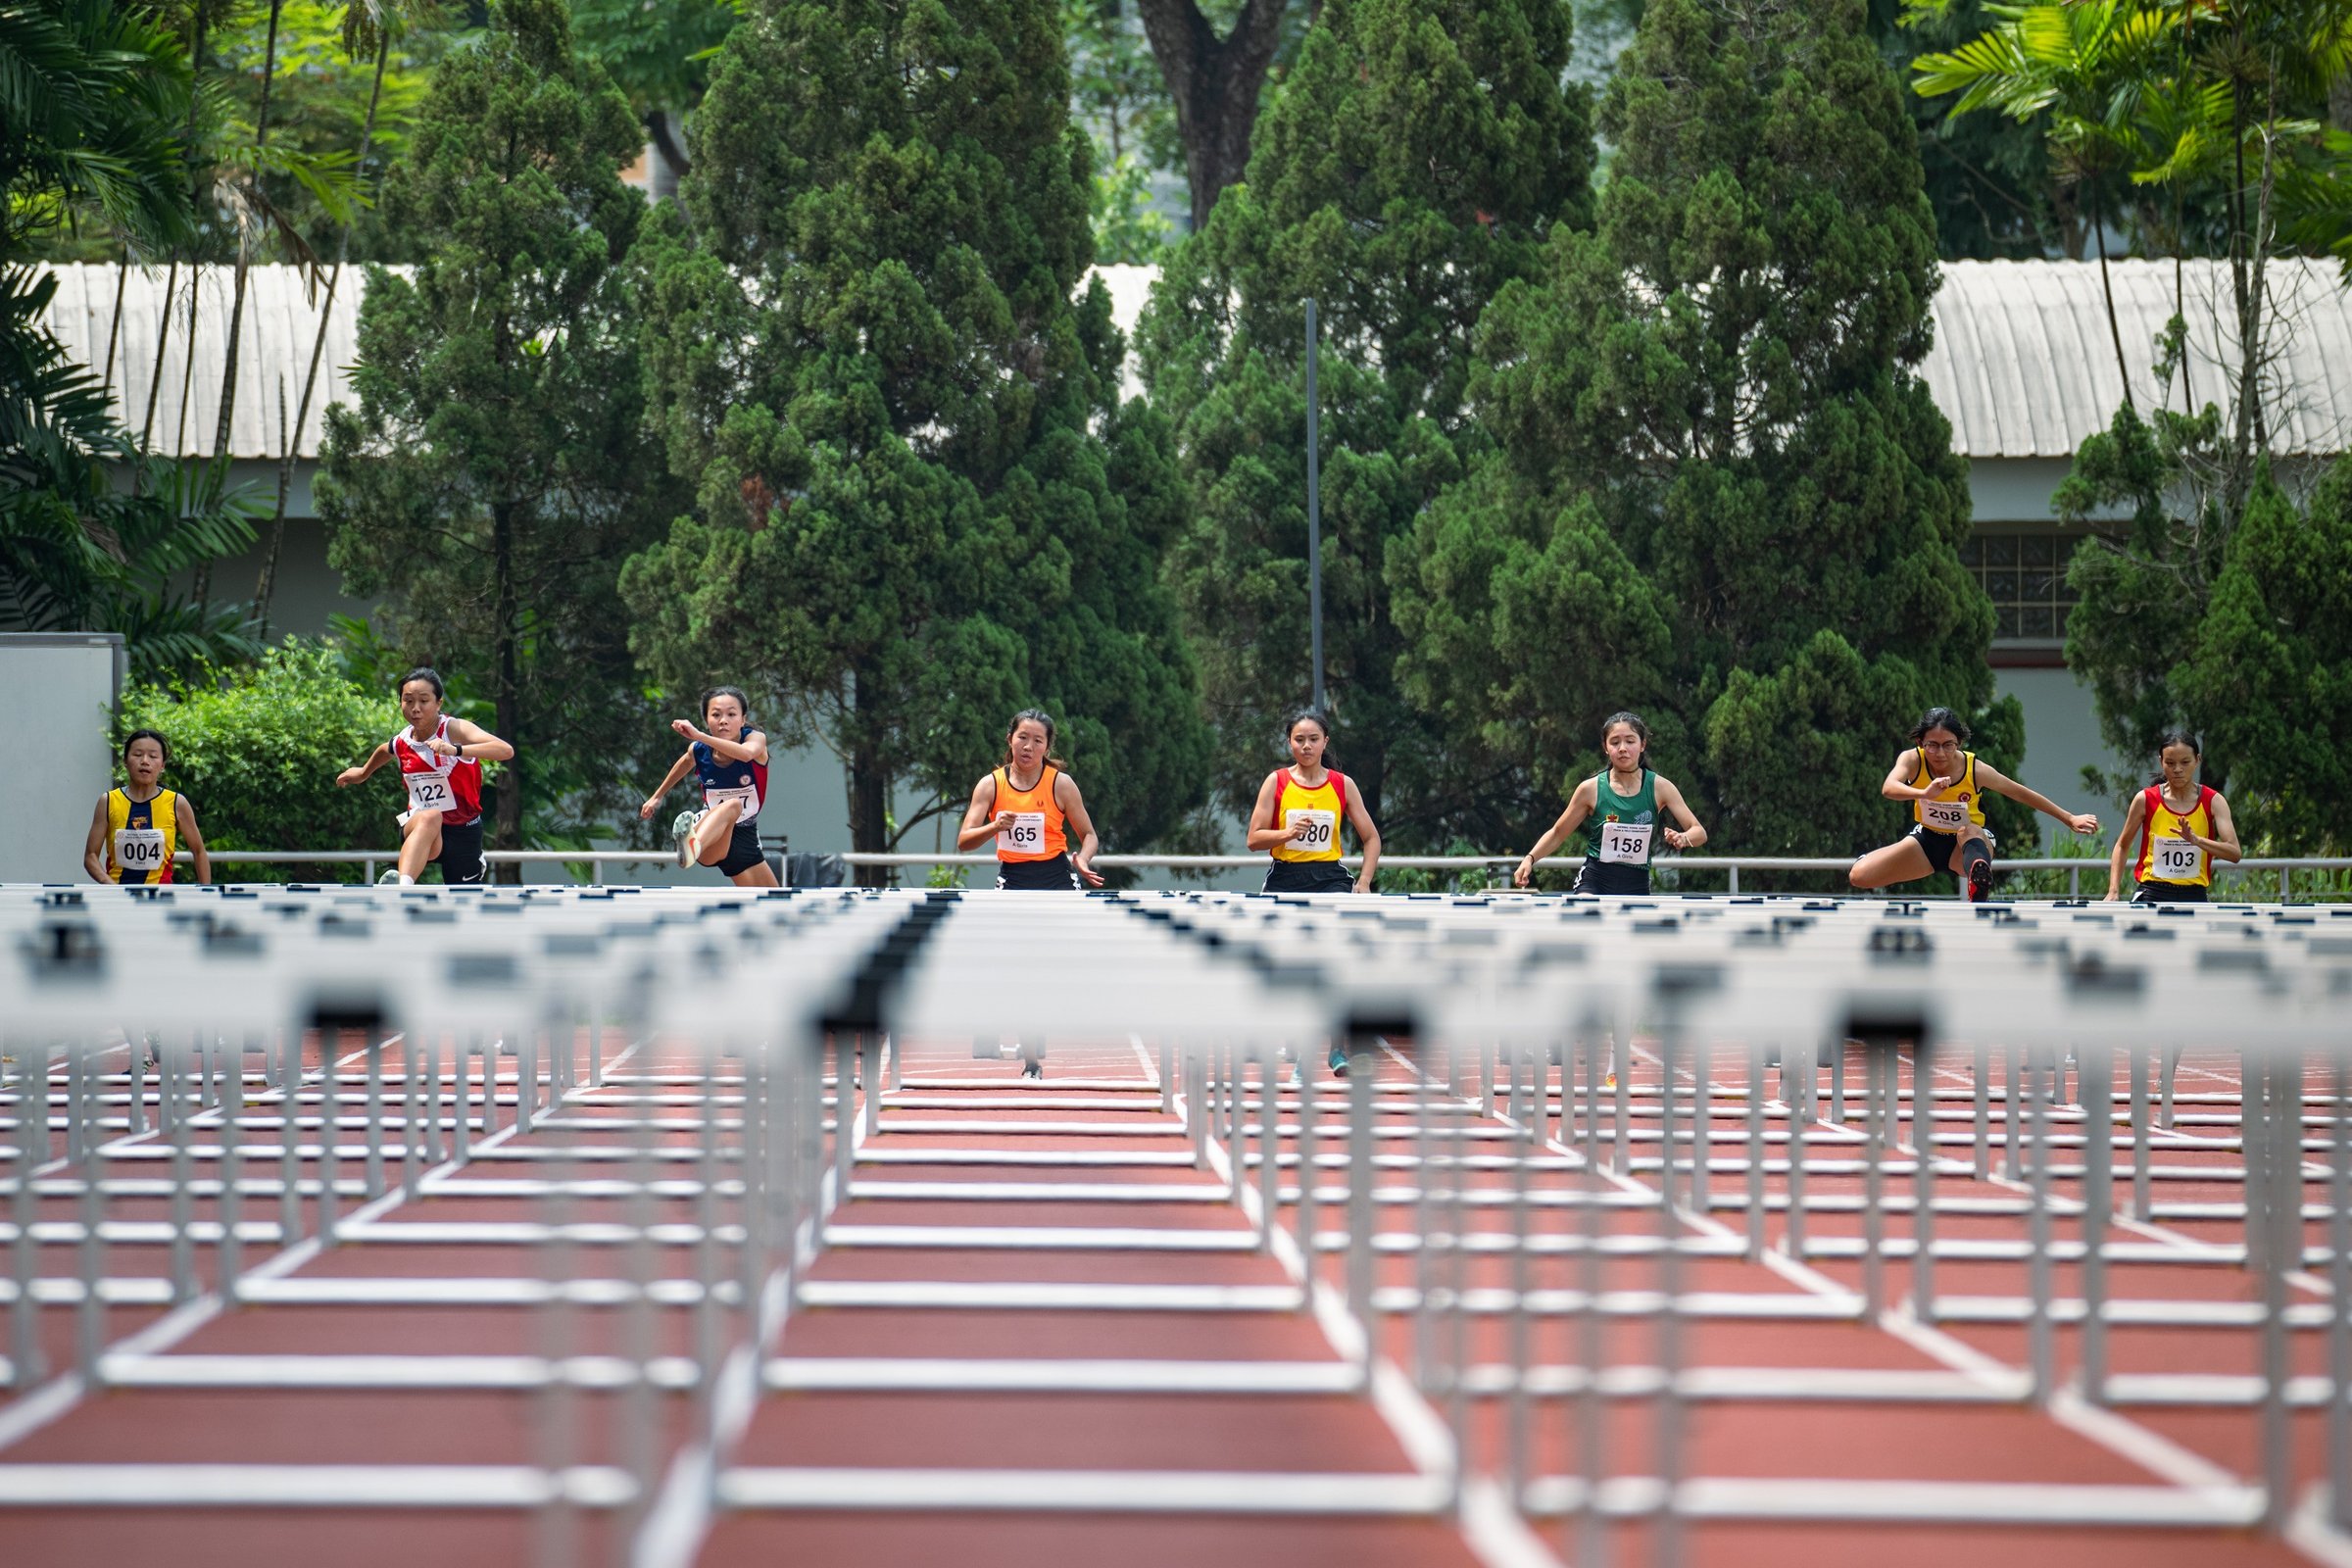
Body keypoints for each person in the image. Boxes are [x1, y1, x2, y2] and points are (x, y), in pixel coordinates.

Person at [955, 710, 1104, 1078]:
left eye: (1038, 740)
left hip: (1056, 877)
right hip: (1014, 881)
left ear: (1047, 747)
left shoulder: (1060, 784)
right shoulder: (990, 785)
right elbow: (963, 842)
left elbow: (1089, 834)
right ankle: (1032, 1061)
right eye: (1023, 737)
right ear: (1010, 739)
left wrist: (1083, 861)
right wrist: (995, 825)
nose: (1029, 746)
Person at [1850, 706, 2097, 902]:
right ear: (1920, 743)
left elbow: (2021, 793)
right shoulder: (1912, 759)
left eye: (1948, 745)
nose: (1940, 753)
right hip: (1927, 840)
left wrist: (2069, 818)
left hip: (1969, 845)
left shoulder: (1975, 769)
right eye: (1932, 745)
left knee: (1967, 830)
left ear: (1959, 743)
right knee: (1859, 876)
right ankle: (1870, 860)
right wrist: (1924, 792)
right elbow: (1889, 787)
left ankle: (1978, 877)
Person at [334, 667, 514, 886]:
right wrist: (363, 772)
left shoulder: (454, 729)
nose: (415, 709)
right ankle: (403, 887)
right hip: (420, 828)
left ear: (438, 703)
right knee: (430, 816)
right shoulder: (402, 741)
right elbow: (386, 749)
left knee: (464, 901)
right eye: (408, 701)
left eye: (424, 701)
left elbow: (505, 750)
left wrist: (455, 750)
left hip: (463, 830)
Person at [1514, 711, 1706, 897]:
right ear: (1606, 747)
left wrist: (1683, 838)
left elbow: (1699, 832)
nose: (1622, 748)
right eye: (1615, 742)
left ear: (1642, 745)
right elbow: (1558, 833)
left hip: (1636, 884)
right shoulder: (1590, 789)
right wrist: (1530, 859)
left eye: (1630, 741)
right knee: (1586, 913)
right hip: (1595, 880)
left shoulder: (1660, 787)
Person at [638, 687, 779, 888]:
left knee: (774, 898)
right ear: (706, 720)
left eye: (731, 714)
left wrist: (699, 736)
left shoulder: (755, 739)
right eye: (716, 715)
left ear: (743, 719)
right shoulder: (699, 750)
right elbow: (686, 761)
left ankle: (692, 846)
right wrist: (657, 796)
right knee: (733, 806)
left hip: (745, 836)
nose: (723, 720)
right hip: (712, 836)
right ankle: (691, 846)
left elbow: (746, 755)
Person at [1246, 710, 1382, 896]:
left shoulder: (1343, 784)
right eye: (1299, 739)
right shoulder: (1275, 781)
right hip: (1285, 877)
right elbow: (1253, 840)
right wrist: (1289, 833)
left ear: (1325, 741)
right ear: (1289, 742)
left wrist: (1364, 881)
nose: (1306, 746)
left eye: (1314, 739)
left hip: (1330, 878)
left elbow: (1371, 838)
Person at [2104, 729, 2240, 905]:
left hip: (2194, 895)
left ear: (2198, 760)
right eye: (2170, 763)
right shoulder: (2145, 799)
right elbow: (2122, 845)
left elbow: (2234, 853)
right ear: (2161, 762)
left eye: (2185, 762)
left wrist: (2196, 840)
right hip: (2152, 892)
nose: (2177, 769)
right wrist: (2113, 891)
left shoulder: (2214, 801)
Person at [84, 729, 209, 885]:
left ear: (162, 764)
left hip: (160, 899)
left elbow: (199, 852)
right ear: (125, 761)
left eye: (153, 756)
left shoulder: (177, 802)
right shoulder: (108, 801)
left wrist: (207, 893)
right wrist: (111, 886)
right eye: (137, 754)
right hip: (117, 898)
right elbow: (90, 856)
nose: (145, 761)